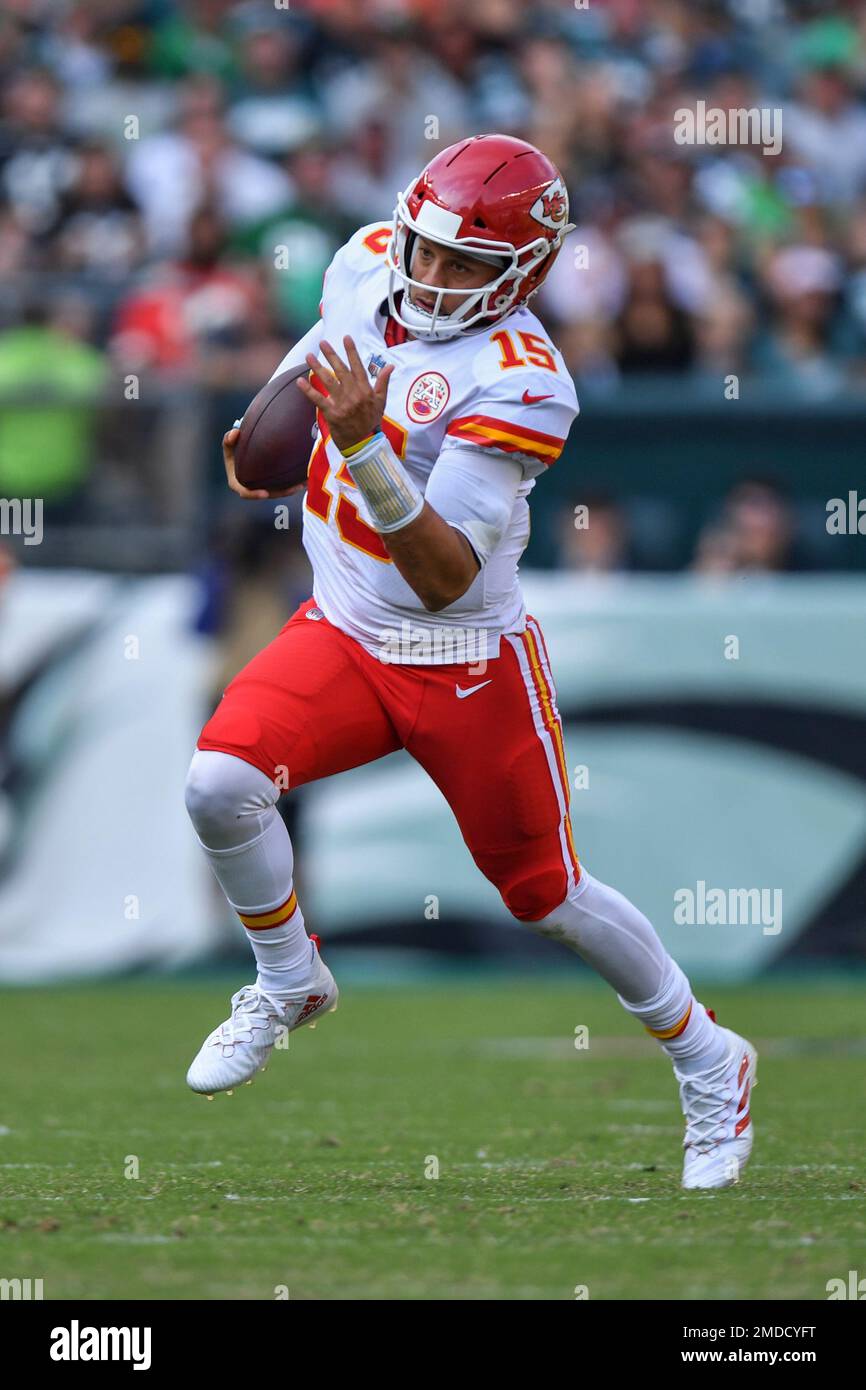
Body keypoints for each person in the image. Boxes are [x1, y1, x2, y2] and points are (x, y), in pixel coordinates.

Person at [183, 134, 757, 1190]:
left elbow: (443, 575)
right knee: (219, 784)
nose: (431, 276)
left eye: (463, 265)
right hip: (345, 634)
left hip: (461, 658)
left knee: (544, 892)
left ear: (524, 274)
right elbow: (319, 352)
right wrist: (266, 424)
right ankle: (287, 978)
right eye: (425, 250)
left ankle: (708, 1055)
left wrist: (360, 447)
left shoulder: (522, 379)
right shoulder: (365, 261)